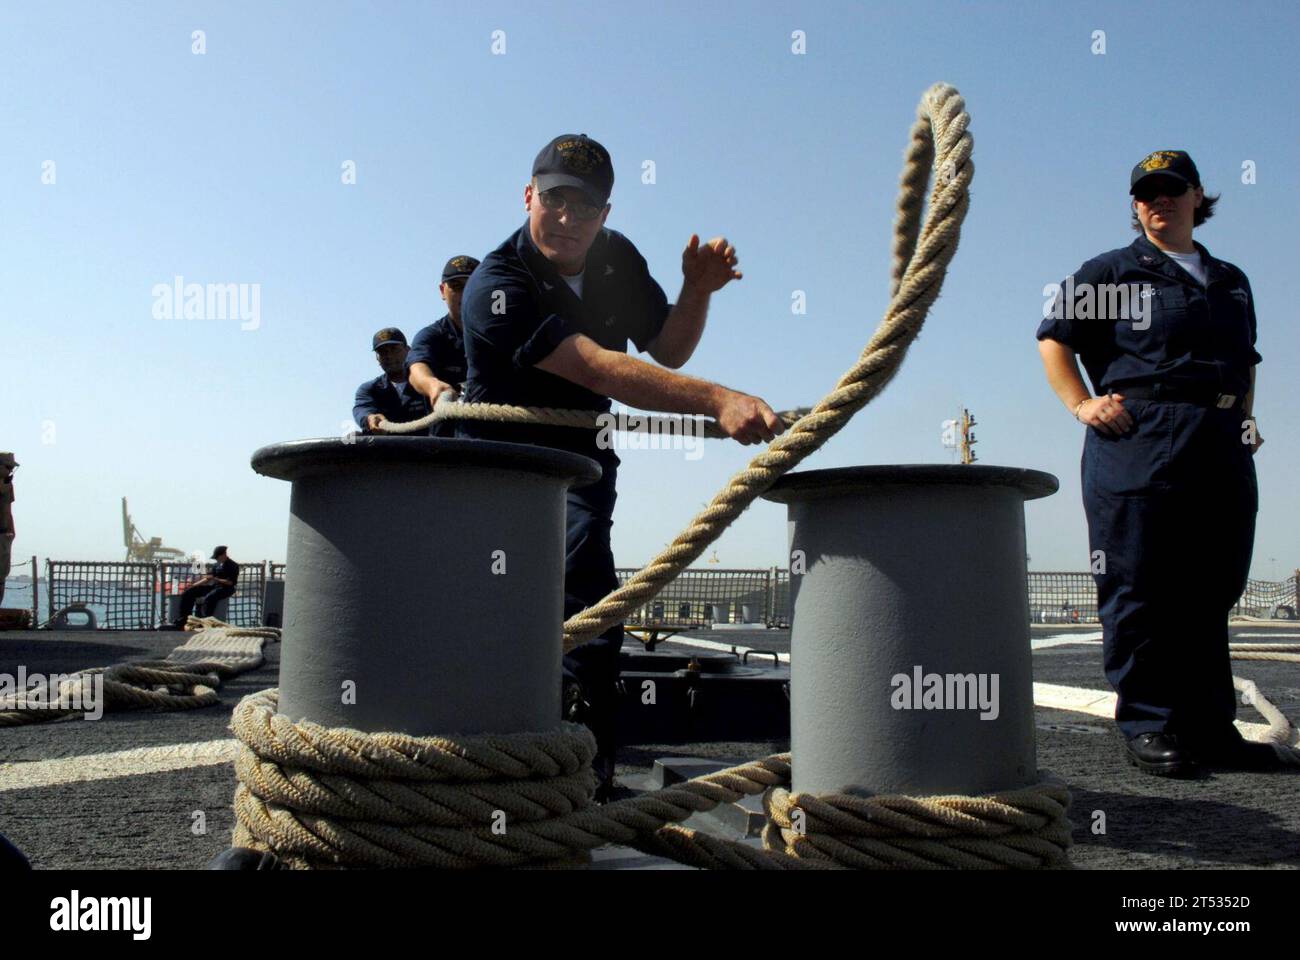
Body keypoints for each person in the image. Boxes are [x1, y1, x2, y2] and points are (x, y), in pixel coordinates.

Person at [459, 133, 785, 798]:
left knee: (591, 599)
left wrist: (697, 291)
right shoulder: (497, 286)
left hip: (582, 459)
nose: (568, 218)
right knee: (489, 603)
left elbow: (666, 348)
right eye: (554, 200)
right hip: (497, 466)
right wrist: (717, 400)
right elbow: (594, 364)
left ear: (606, 213)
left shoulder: (618, 259)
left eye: (585, 206)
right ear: (529, 197)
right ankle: (472, 760)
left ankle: (586, 768)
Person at [1036, 149, 1284, 775]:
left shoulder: (1230, 279)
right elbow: (1053, 339)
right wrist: (1081, 405)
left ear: (1199, 197)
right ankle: (1150, 723)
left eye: (1172, 189)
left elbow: (1245, 361)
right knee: (1139, 581)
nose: (1158, 200)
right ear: (1136, 205)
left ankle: (1210, 729)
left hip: (1220, 438)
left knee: (1212, 585)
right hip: (1139, 435)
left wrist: (1243, 415)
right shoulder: (1112, 272)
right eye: (1146, 193)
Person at [406, 256, 480, 437]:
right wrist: (433, 385)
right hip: (447, 447)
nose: (464, 295)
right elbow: (417, 370)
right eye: (456, 286)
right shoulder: (432, 336)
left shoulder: (506, 335)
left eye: (472, 286)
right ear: (442, 290)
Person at [352, 328, 431, 434]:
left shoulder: (429, 384)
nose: (389, 356)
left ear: (408, 350)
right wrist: (370, 419)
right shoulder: (369, 390)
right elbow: (362, 409)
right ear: (377, 357)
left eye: (394, 349)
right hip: (386, 449)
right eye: (382, 352)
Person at [172, 546, 240, 627]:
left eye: (217, 557)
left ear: (224, 555)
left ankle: (205, 622)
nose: (216, 560)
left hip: (227, 589)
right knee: (189, 593)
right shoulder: (217, 565)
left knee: (209, 598)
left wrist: (216, 579)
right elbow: (208, 578)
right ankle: (184, 619)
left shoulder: (233, 566)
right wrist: (193, 585)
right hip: (215, 586)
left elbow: (230, 582)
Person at [0, 453, 15, 610]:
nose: (10, 471)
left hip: (3, 534)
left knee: (2, 575)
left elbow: (8, 511)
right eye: (8, 467)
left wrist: (11, 532)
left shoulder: (8, 486)